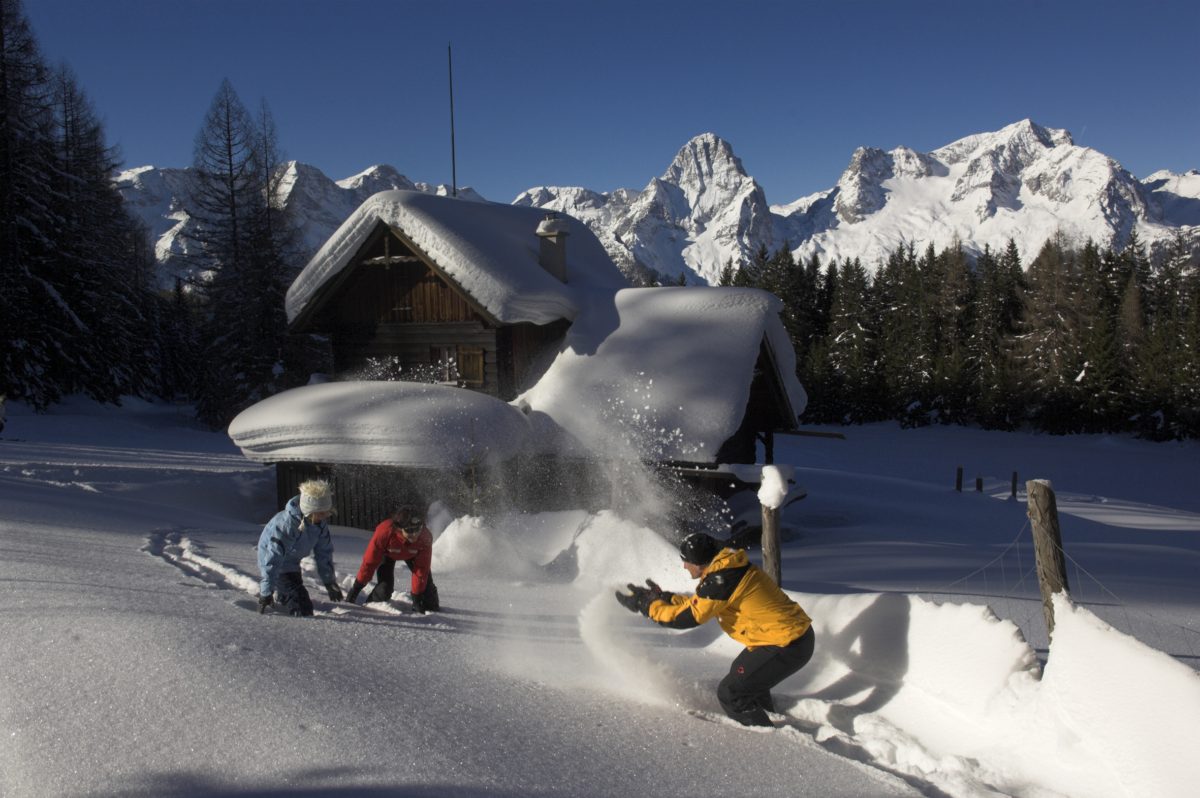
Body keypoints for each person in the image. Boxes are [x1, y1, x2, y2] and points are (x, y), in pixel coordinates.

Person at [615, 531, 814, 727]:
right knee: (744, 676)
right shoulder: (726, 570)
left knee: (731, 693)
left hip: (787, 644)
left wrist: (647, 606)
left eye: (686, 561)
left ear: (699, 563)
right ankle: (766, 716)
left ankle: (770, 741)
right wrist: (664, 598)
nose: (684, 566)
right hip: (785, 638)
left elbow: (688, 618)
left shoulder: (723, 579)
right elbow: (701, 605)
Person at [256, 479, 344, 616]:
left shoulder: (319, 525)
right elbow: (273, 556)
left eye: (327, 512)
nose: (325, 516)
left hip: (292, 561)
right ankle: (300, 624)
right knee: (300, 601)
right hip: (274, 560)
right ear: (310, 511)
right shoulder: (287, 524)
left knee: (292, 590)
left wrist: (329, 581)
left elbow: (324, 553)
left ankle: (282, 599)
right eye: (321, 513)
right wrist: (266, 591)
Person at [345, 504, 440, 612]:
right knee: (384, 589)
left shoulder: (425, 538)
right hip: (387, 555)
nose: (414, 535)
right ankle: (369, 605)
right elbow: (369, 562)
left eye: (417, 529)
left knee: (430, 602)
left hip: (413, 556)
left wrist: (417, 598)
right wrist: (356, 588)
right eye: (409, 531)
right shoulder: (384, 532)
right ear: (399, 528)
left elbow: (421, 569)